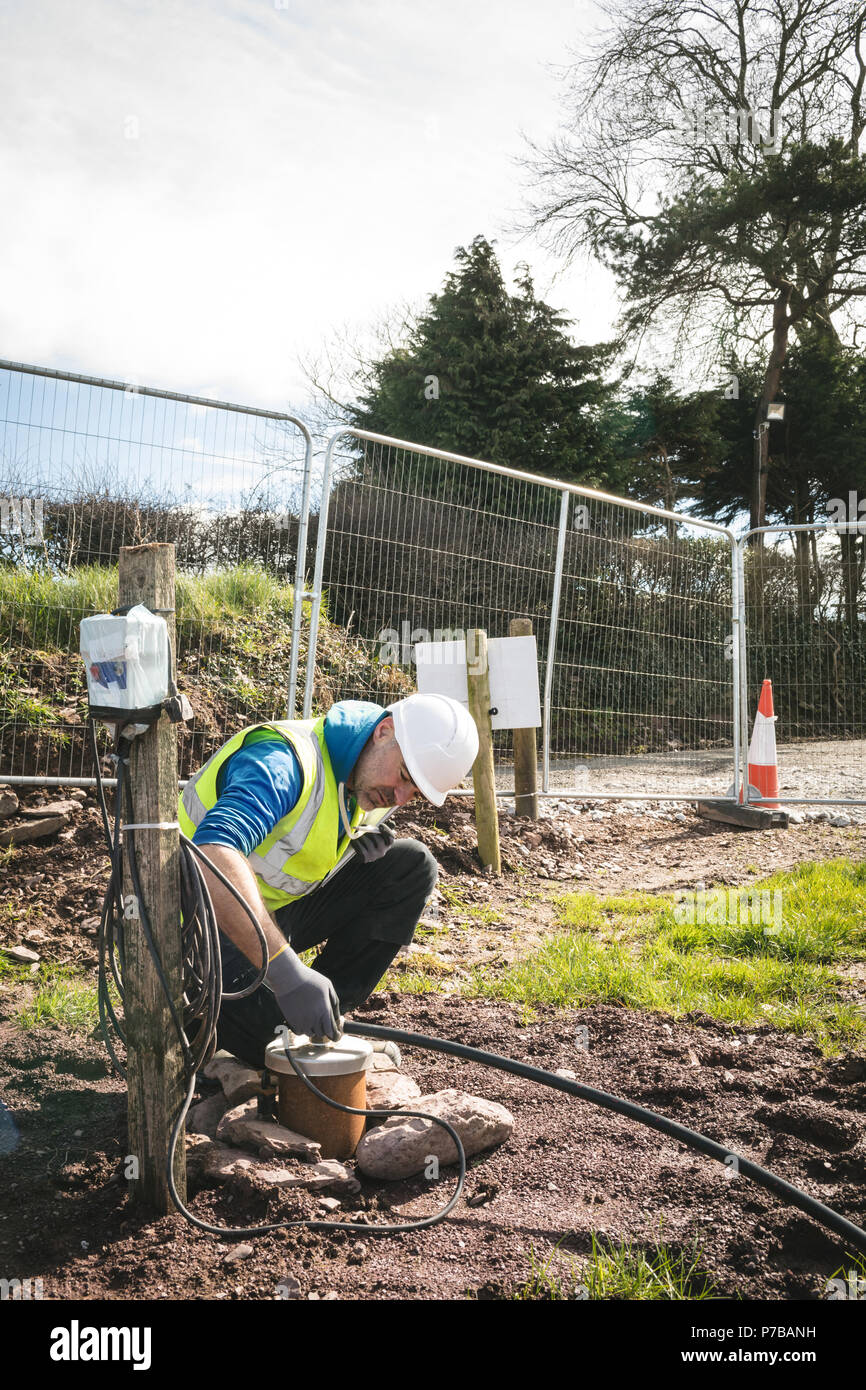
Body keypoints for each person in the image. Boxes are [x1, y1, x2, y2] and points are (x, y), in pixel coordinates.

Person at [177, 692, 478, 1069]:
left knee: (411, 865)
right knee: (290, 1060)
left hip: (268, 914)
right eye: (403, 776)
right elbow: (212, 856)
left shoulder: (360, 775)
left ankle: (323, 1017)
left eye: (413, 794)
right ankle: (209, 1022)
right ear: (383, 731)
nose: (398, 798)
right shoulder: (284, 760)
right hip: (193, 927)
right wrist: (286, 974)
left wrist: (349, 840)